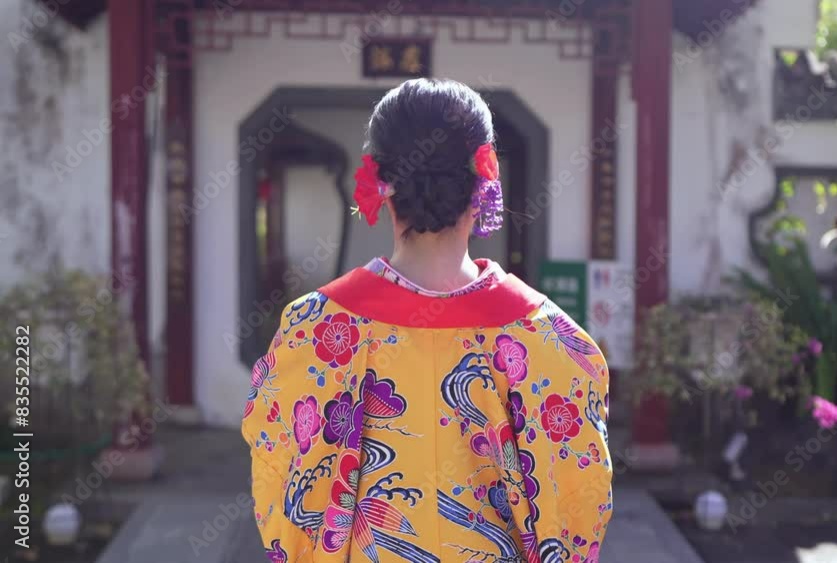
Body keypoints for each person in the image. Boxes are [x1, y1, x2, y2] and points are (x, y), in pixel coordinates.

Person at [242, 78, 612, 563]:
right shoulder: (552, 338)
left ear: (380, 183)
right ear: (484, 181)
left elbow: (281, 477)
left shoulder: (313, 330)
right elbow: (579, 498)